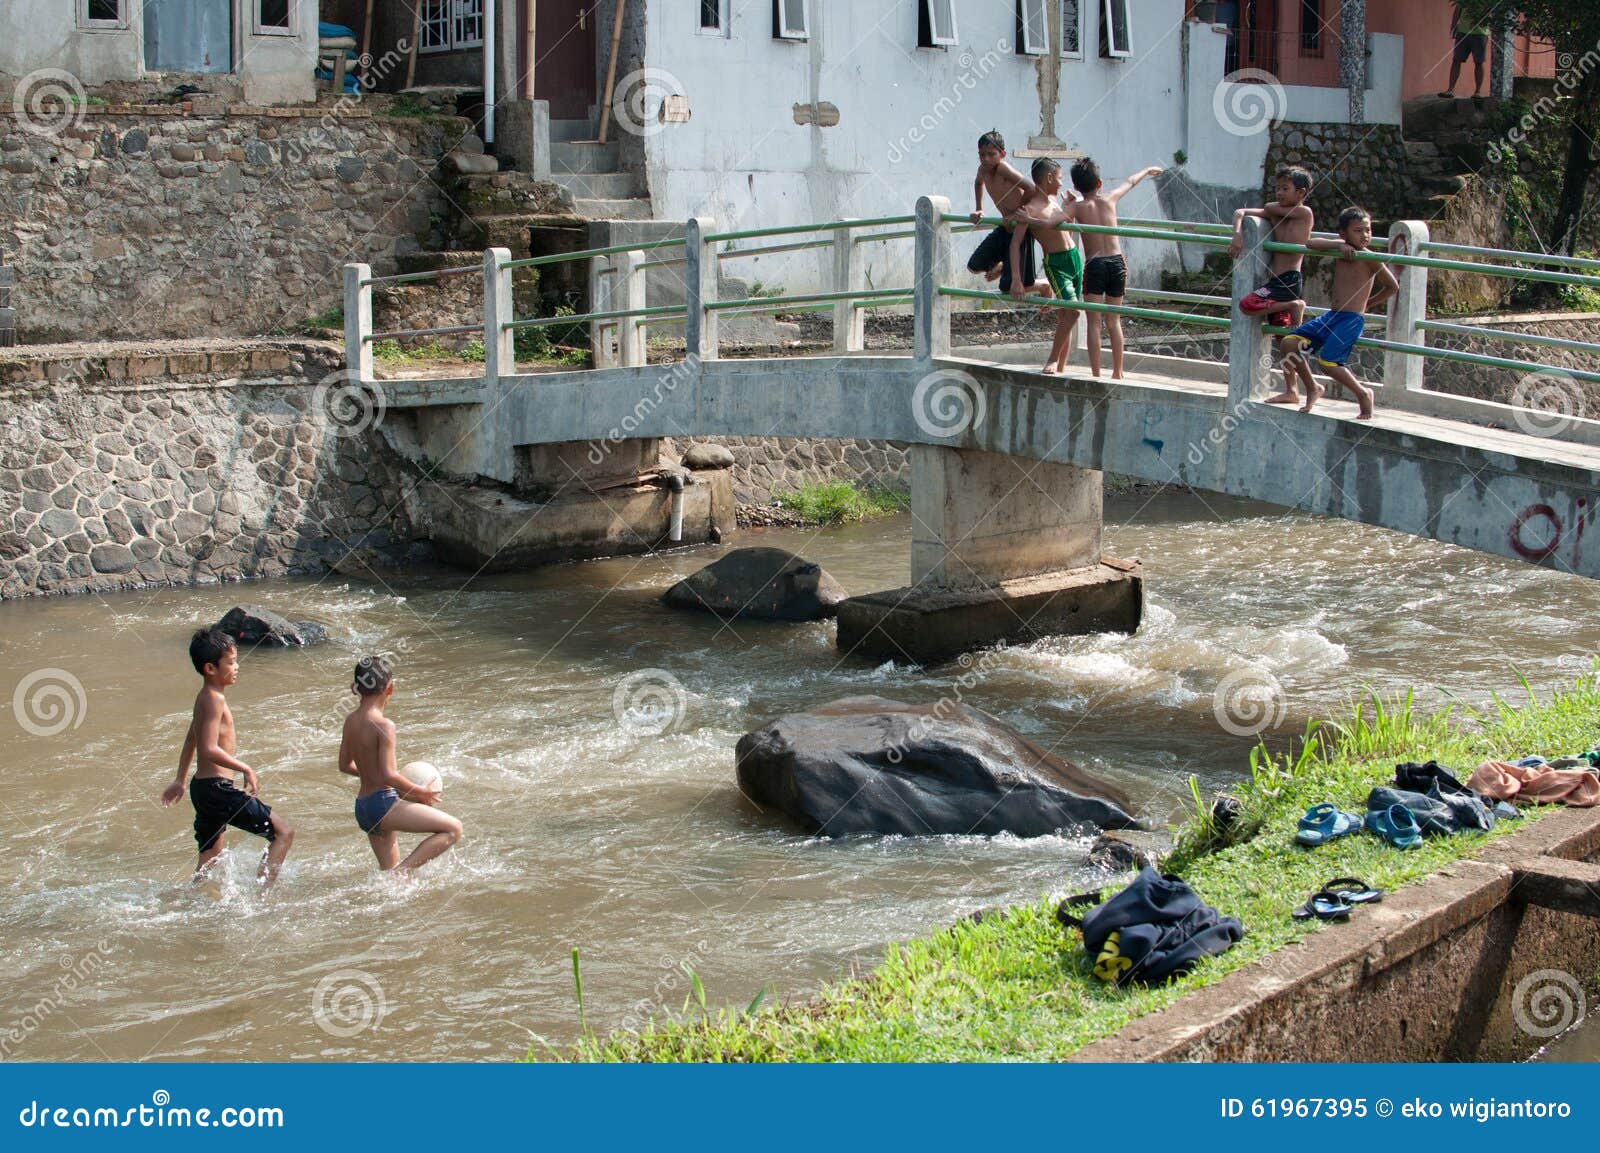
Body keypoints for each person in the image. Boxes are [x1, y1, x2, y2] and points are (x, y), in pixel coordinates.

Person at [160, 629, 295, 886]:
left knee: (211, 855)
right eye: (231, 662)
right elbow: (207, 748)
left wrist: (180, 779)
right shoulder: (213, 700)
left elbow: (192, 739)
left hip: (203, 789)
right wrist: (245, 767)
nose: (237, 667)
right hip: (217, 789)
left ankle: (191, 901)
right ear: (210, 668)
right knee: (283, 832)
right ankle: (263, 900)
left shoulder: (205, 698)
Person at [1023, 157, 1162, 380]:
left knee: (1094, 323)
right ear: (1099, 184)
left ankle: (1096, 374)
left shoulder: (1077, 206)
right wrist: (1147, 169)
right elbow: (1130, 181)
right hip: (1117, 263)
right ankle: (1118, 372)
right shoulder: (1110, 198)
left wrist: (1029, 219)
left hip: (1095, 265)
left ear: (1076, 187)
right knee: (1114, 321)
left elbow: (1052, 223)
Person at [339, 655, 462, 874]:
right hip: (383, 804)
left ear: (356, 688)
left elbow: (345, 765)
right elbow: (388, 775)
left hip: (363, 808)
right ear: (390, 689)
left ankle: (394, 880)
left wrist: (373, 775)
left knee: (388, 877)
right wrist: (421, 792)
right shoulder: (384, 725)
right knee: (453, 829)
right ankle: (402, 874)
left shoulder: (350, 720)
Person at [1275, 207, 1399, 420]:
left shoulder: (1369, 257)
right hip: (1332, 316)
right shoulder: (1340, 250)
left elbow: (1392, 286)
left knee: (1328, 362)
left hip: (1351, 319)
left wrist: (1367, 303)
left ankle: (1363, 394)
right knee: (1289, 343)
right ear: (1344, 234)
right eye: (1358, 231)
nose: (1365, 235)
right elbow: (1310, 243)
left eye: (1368, 230)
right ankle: (1312, 387)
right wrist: (1339, 245)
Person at [1229, 166, 1316, 405]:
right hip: (1276, 282)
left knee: (1247, 304)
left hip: (1288, 282)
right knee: (1284, 340)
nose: (1279, 193)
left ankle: (1294, 305)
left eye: (1285, 189)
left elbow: (1266, 210)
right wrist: (1238, 234)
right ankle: (1300, 388)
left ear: (1301, 192)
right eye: (1277, 188)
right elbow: (1240, 211)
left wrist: (1268, 209)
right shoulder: (1277, 211)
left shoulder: (1304, 213)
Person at [1008, 158, 1083, 375]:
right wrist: (1015, 278)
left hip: (1074, 258)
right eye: (1059, 178)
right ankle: (1051, 360)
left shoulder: (1054, 202)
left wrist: (1069, 206)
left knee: (1066, 316)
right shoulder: (1029, 210)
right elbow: (1015, 244)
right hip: (1057, 264)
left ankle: (1061, 366)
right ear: (1049, 178)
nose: (1061, 183)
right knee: (1075, 311)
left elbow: (1067, 228)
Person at [966, 130, 1040, 296]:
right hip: (1005, 226)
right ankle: (1004, 263)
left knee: (1008, 288)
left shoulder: (1003, 169)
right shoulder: (982, 170)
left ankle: (1043, 286)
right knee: (974, 265)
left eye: (991, 154)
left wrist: (1018, 213)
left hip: (1021, 228)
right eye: (982, 154)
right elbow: (978, 183)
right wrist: (979, 208)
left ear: (1002, 154)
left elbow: (1031, 188)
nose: (986, 159)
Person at [1440, 4, 1488, 102]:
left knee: (1479, 62)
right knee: (1456, 60)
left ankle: (1478, 92)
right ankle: (1450, 89)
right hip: (1463, 32)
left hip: (1480, 33)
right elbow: (1458, 10)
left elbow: (1489, 11)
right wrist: (1453, 27)